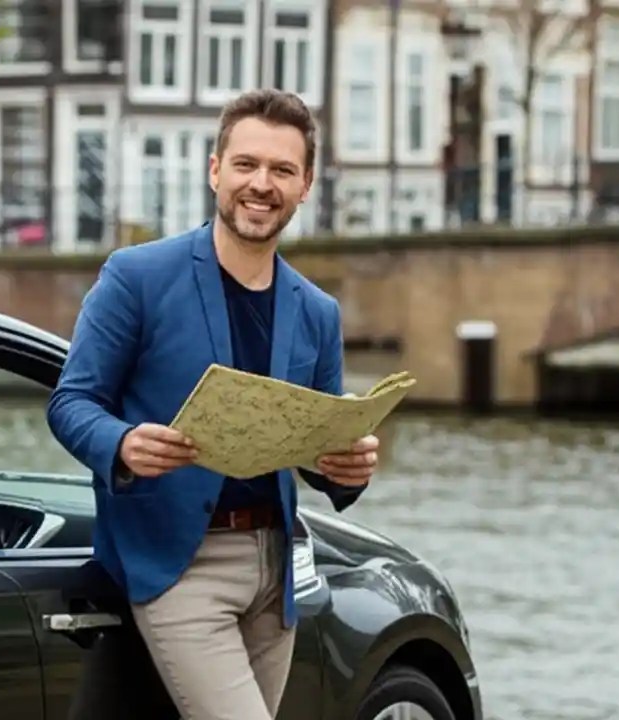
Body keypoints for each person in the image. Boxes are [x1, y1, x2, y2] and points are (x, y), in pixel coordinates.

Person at [46, 88, 380, 720]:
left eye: (283, 170)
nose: (262, 184)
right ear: (215, 171)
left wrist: (346, 465)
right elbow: (72, 401)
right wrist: (121, 443)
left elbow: (314, 446)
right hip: (178, 562)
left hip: (275, 570)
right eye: (247, 164)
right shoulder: (136, 276)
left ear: (305, 185)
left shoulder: (317, 312)